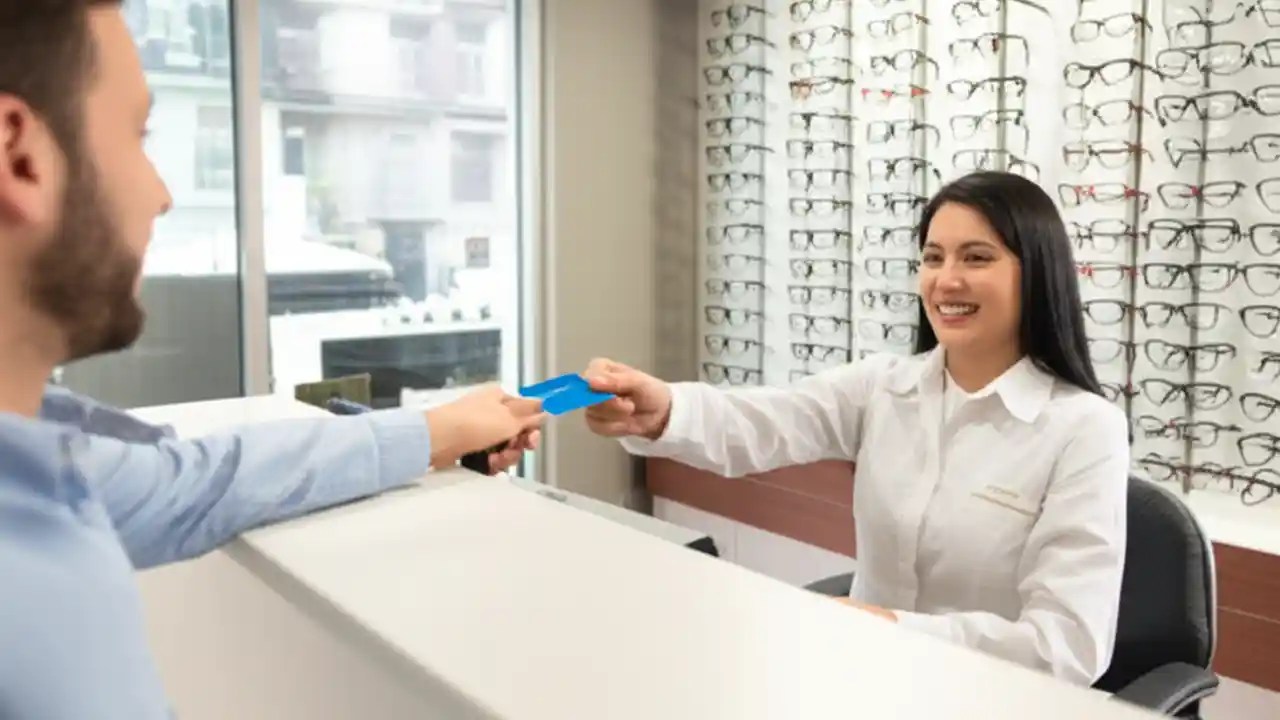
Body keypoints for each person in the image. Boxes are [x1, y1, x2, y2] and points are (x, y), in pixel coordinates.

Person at [0, 2, 544, 717]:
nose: (161, 194)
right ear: (19, 155)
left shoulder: (48, 470)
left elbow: (200, 481)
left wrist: (437, 432)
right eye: (137, 136)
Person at [584, 171, 1129, 686]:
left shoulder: (1085, 430)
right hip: (868, 683)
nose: (947, 279)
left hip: (993, 700)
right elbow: (762, 422)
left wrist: (891, 628)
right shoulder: (882, 387)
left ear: (1036, 272)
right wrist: (660, 412)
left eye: (977, 257)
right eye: (932, 257)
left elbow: (1067, 646)